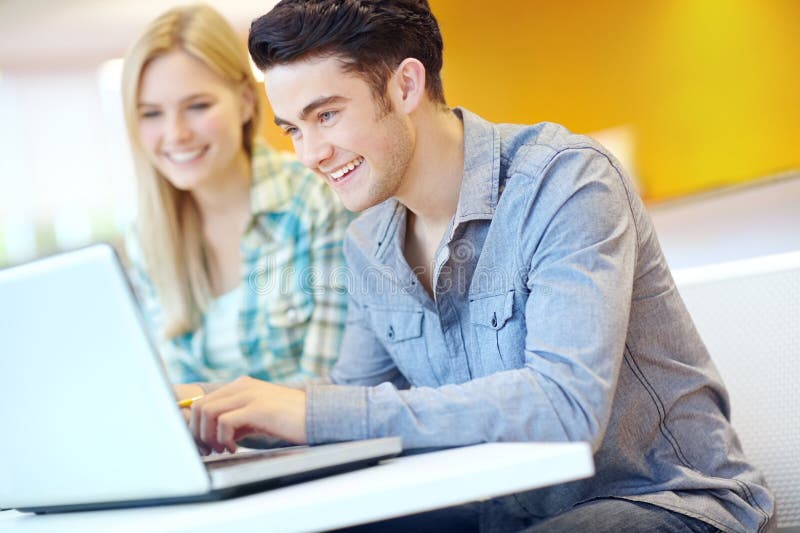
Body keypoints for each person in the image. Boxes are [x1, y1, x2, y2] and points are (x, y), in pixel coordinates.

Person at [184, 1, 775, 531]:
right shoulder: (367, 242)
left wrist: (316, 411)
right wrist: (219, 407)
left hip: (663, 502)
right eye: (292, 129)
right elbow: (356, 402)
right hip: (501, 509)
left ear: (406, 87)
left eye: (327, 116)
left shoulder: (565, 182)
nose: (309, 154)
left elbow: (565, 407)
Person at [120, 4, 353, 386]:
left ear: (245, 100)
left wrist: (223, 416)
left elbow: (330, 387)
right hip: (206, 446)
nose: (175, 133)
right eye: (151, 114)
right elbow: (174, 388)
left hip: (313, 442)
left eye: (197, 106)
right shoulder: (147, 235)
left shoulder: (316, 199)